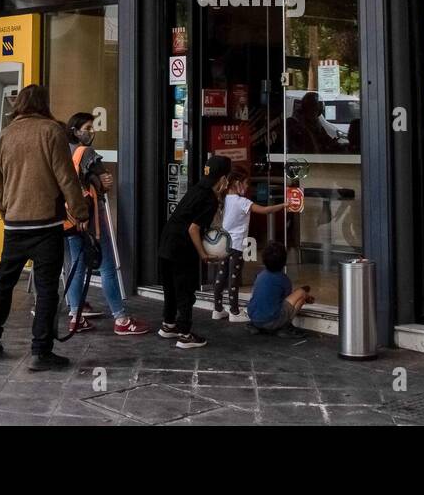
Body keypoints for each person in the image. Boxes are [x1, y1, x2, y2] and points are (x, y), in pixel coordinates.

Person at [0, 84, 89, 371]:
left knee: (3, 283)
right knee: (46, 288)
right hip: (46, 224)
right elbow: (66, 178)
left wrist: (5, 211)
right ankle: (41, 351)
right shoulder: (51, 131)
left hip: (15, 225)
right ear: (43, 104)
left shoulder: (4, 135)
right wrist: (79, 212)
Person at [62, 112, 148, 336]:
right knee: (108, 266)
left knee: (76, 267)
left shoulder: (62, 151)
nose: (92, 132)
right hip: (92, 220)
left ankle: (75, 316)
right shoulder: (86, 152)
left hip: (70, 219)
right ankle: (121, 318)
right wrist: (100, 182)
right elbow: (105, 180)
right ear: (76, 130)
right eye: (87, 128)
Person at [157, 154, 230, 349]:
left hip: (166, 241)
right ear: (223, 179)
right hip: (182, 246)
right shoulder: (209, 199)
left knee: (170, 288)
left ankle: (168, 324)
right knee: (185, 291)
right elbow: (193, 229)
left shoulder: (197, 189)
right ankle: (185, 334)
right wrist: (203, 254)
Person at [212, 167, 286, 323]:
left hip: (223, 243)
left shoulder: (223, 199)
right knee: (234, 277)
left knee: (220, 275)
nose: (247, 187)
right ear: (237, 183)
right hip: (237, 244)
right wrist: (284, 205)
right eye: (246, 184)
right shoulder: (242, 202)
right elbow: (265, 210)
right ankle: (234, 311)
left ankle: (217, 309)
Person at [246, 240, 313, 336]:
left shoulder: (260, 275)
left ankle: (256, 326)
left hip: (254, 317)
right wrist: (306, 296)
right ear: (284, 261)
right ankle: (285, 326)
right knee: (301, 295)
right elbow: (288, 301)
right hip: (271, 320)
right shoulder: (284, 280)